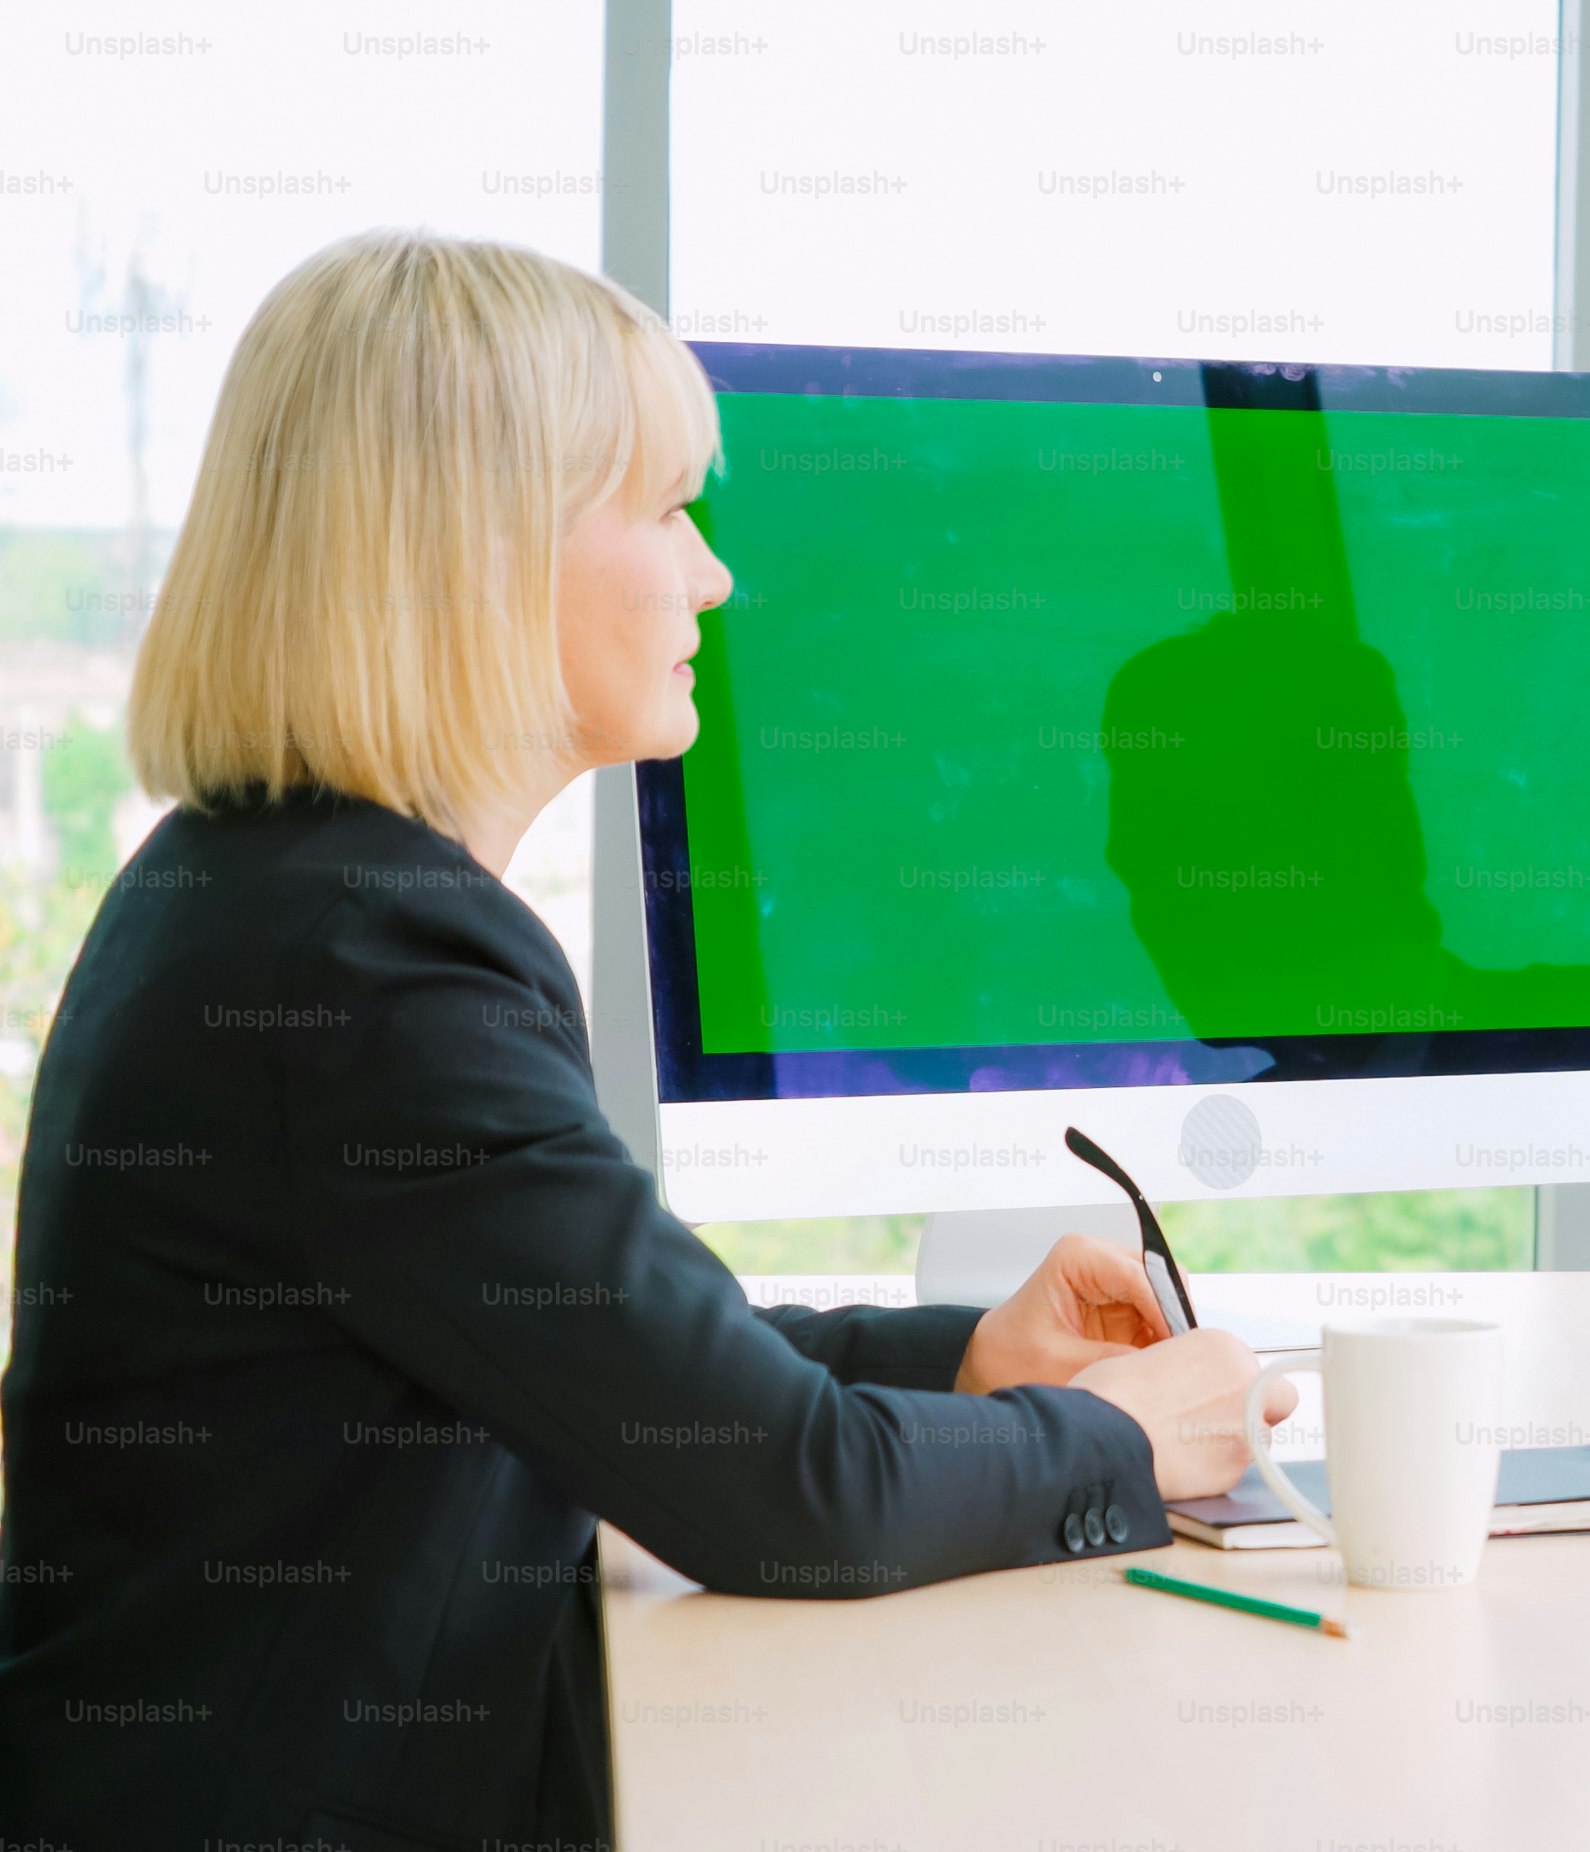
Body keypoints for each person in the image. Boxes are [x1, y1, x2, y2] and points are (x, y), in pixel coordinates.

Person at [0, 231, 1292, 1845]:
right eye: (668, 509)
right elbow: (783, 1496)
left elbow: (618, 1354)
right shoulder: (372, 963)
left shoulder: (267, 889)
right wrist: (1114, 1437)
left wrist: (961, 1359)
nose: (714, 572)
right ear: (473, 550)